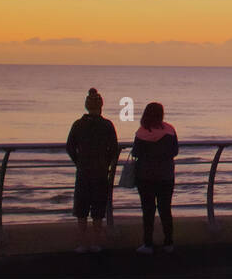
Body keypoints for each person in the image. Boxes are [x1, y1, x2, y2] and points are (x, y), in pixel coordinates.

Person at [66, 88, 119, 253]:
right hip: (101, 172)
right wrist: (107, 163)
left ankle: (83, 243)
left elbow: (70, 147)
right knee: (98, 209)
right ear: (101, 106)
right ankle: (96, 243)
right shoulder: (107, 125)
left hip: (83, 171)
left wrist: (79, 161)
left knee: (81, 209)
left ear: (86, 106)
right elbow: (114, 148)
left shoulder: (78, 124)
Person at [131, 102, 178, 253]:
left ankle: (148, 244)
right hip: (166, 175)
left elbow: (136, 153)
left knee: (148, 210)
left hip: (145, 176)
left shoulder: (142, 132)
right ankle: (169, 242)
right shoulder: (170, 130)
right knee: (165, 209)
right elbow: (175, 151)